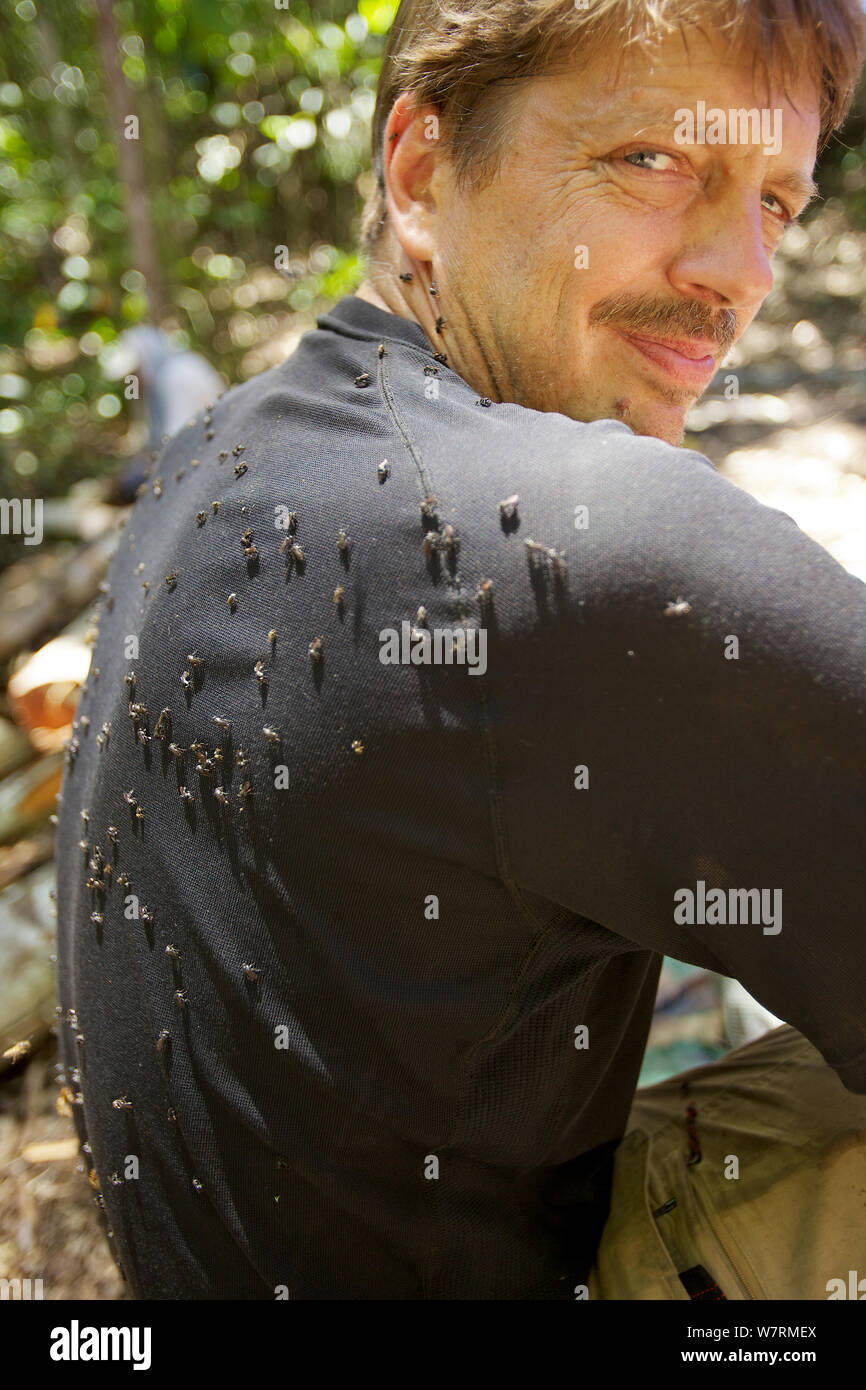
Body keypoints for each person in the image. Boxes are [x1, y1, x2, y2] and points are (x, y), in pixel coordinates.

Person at [55, 0, 866, 1300]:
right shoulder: (599, 550)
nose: (744, 271)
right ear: (423, 173)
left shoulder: (223, 444)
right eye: (654, 161)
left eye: (777, 201)